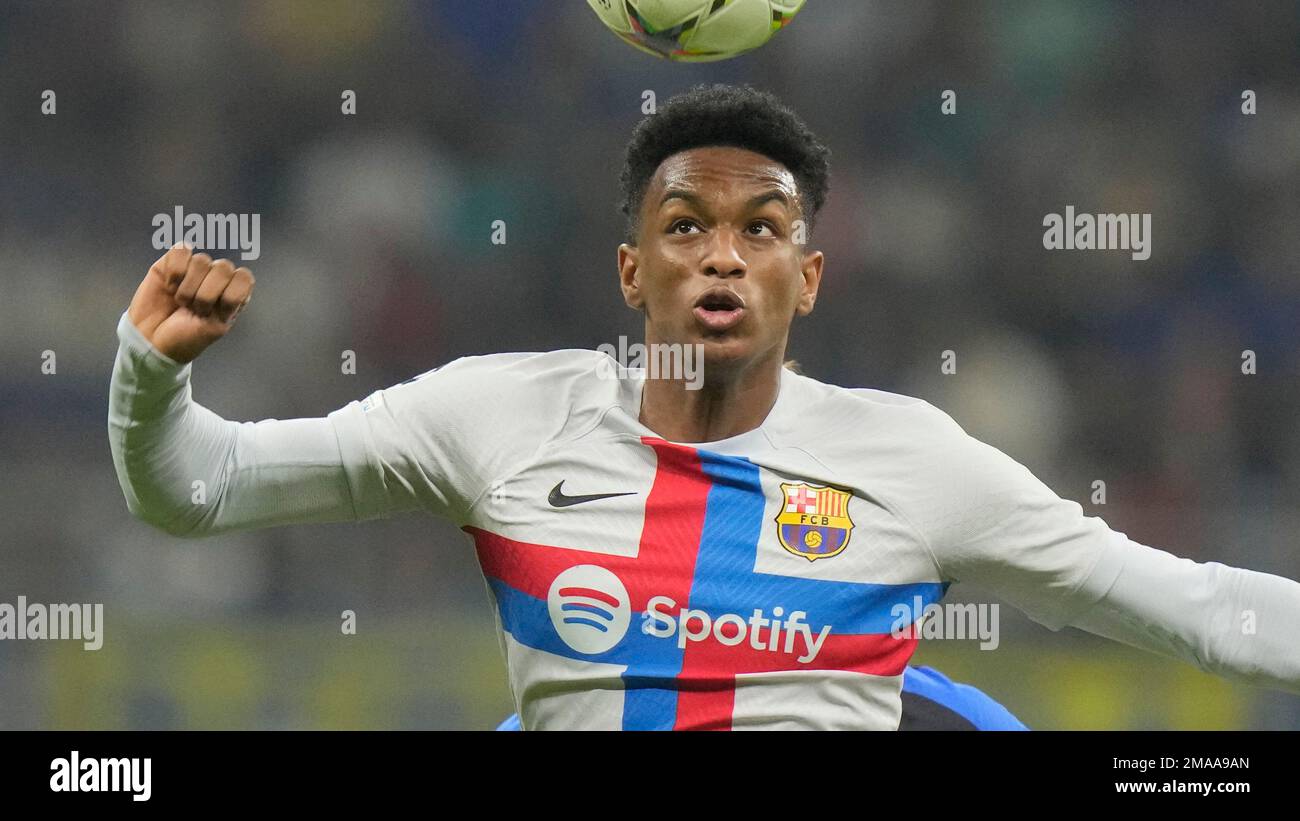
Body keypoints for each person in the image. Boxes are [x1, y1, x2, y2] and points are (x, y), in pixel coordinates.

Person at [109, 84, 1300, 730]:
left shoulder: (911, 460)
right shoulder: (498, 415)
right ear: (633, 269)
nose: (722, 258)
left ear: (809, 275)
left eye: (762, 230)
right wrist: (150, 370)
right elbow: (197, 491)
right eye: (685, 227)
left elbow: (1191, 605)